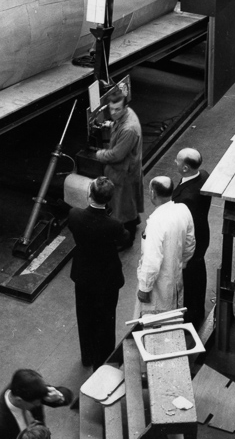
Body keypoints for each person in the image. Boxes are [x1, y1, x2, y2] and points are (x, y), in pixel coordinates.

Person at [67, 177, 127, 369]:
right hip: (107, 278)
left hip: (83, 275)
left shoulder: (74, 215)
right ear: (108, 200)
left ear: (89, 194)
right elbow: (124, 238)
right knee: (106, 320)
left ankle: (88, 356)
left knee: (84, 317)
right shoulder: (114, 225)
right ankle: (104, 361)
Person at [135, 177, 195, 317]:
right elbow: (190, 242)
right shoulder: (183, 209)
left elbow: (152, 259)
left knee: (154, 323)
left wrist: (145, 288)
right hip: (176, 277)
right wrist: (181, 263)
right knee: (173, 316)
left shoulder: (156, 222)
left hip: (157, 286)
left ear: (152, 193)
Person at [95, 86, 143, 239]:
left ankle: (127, 239)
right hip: (128, 170)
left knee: (122, 209)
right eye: (111, 109)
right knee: (128, 204)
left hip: (123, 173)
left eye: (117, 109)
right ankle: (134, 220)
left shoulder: (128, 129)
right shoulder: (126, 115)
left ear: (125, 107)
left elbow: (116, 155)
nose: (114, 113)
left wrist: (100, 154)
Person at [172, 148, 211, 330]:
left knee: (190, 280)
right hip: (203, 234)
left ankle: (191, 318)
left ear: (186, 168)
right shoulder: (202, 175)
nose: (174, 161)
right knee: (198, 275)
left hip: (193, 242)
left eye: (178, 161)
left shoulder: (187, 199)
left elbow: (183, 226)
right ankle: (198, 311)